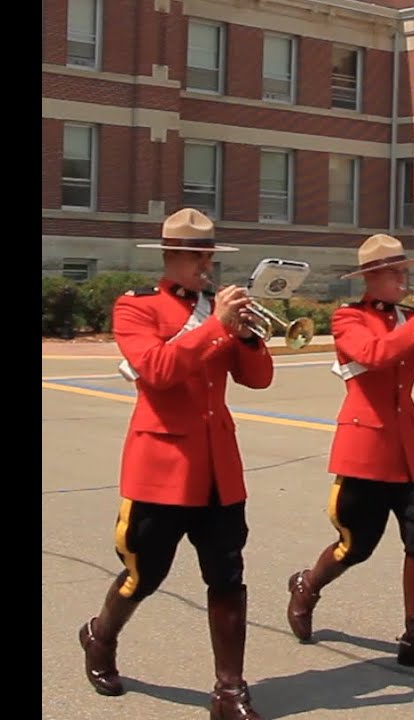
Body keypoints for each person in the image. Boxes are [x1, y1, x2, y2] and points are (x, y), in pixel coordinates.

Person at [78, 208, 273, 720]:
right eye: (194, 255)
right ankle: (101, 635)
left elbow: (258, 379)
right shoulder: (136, 306)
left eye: (208, 254)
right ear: (169, 257)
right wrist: (215, 326)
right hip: (162, 468)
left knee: (227, 575)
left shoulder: (215, 309)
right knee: (144, 573)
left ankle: (229, 690)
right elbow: (158, 371)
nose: (205, 264)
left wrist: (246, 337)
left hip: (218, 468)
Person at [284, 234, 414, 675]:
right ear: (371, 278)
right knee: (357, 544)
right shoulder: (349, 317)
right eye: (395, 273)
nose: (404, 280)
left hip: (407, 449)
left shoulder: (407, 319)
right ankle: (309, 585)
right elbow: (374, 354)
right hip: (365, 447)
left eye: (404, 271)